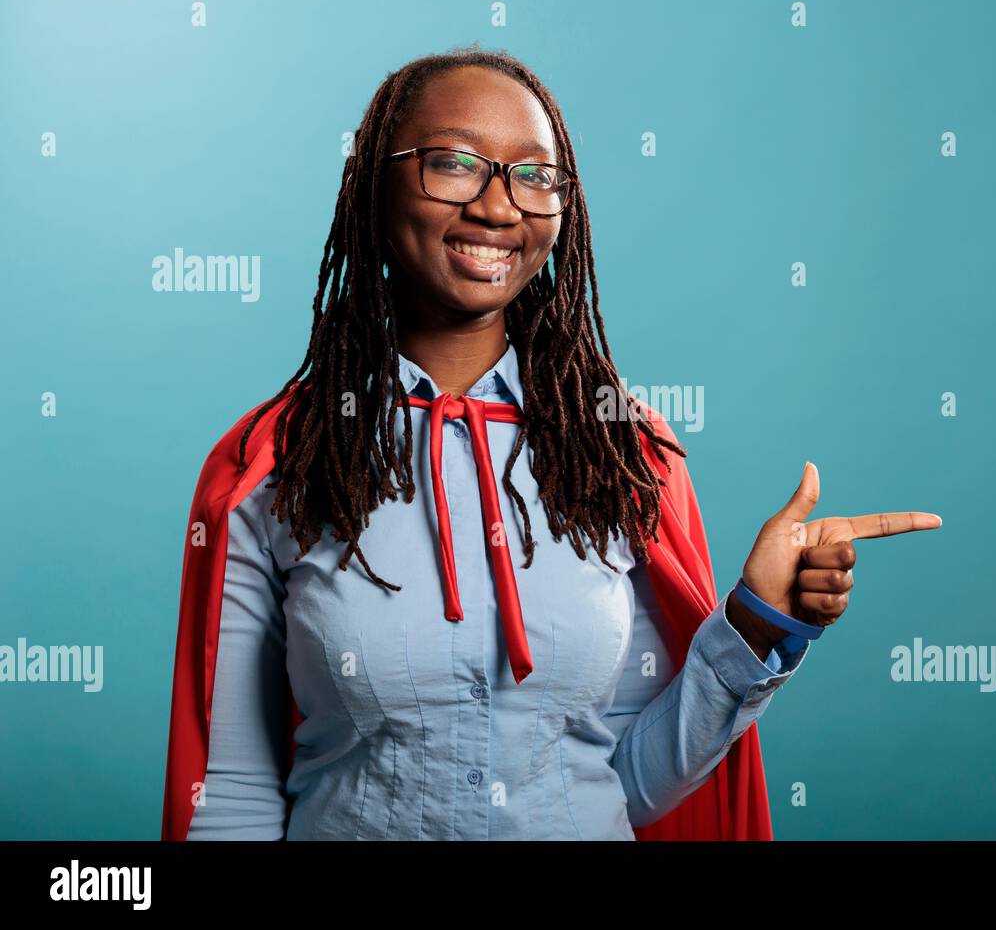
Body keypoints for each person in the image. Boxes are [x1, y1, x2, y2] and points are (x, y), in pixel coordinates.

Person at [161, 46, 942, 841]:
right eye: (455, 163)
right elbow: (230, 794)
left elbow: (622, 784)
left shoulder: (618, 452)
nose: (499, 208)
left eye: (535, 176)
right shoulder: (277, 464)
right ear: (373, 184)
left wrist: (755, 625)